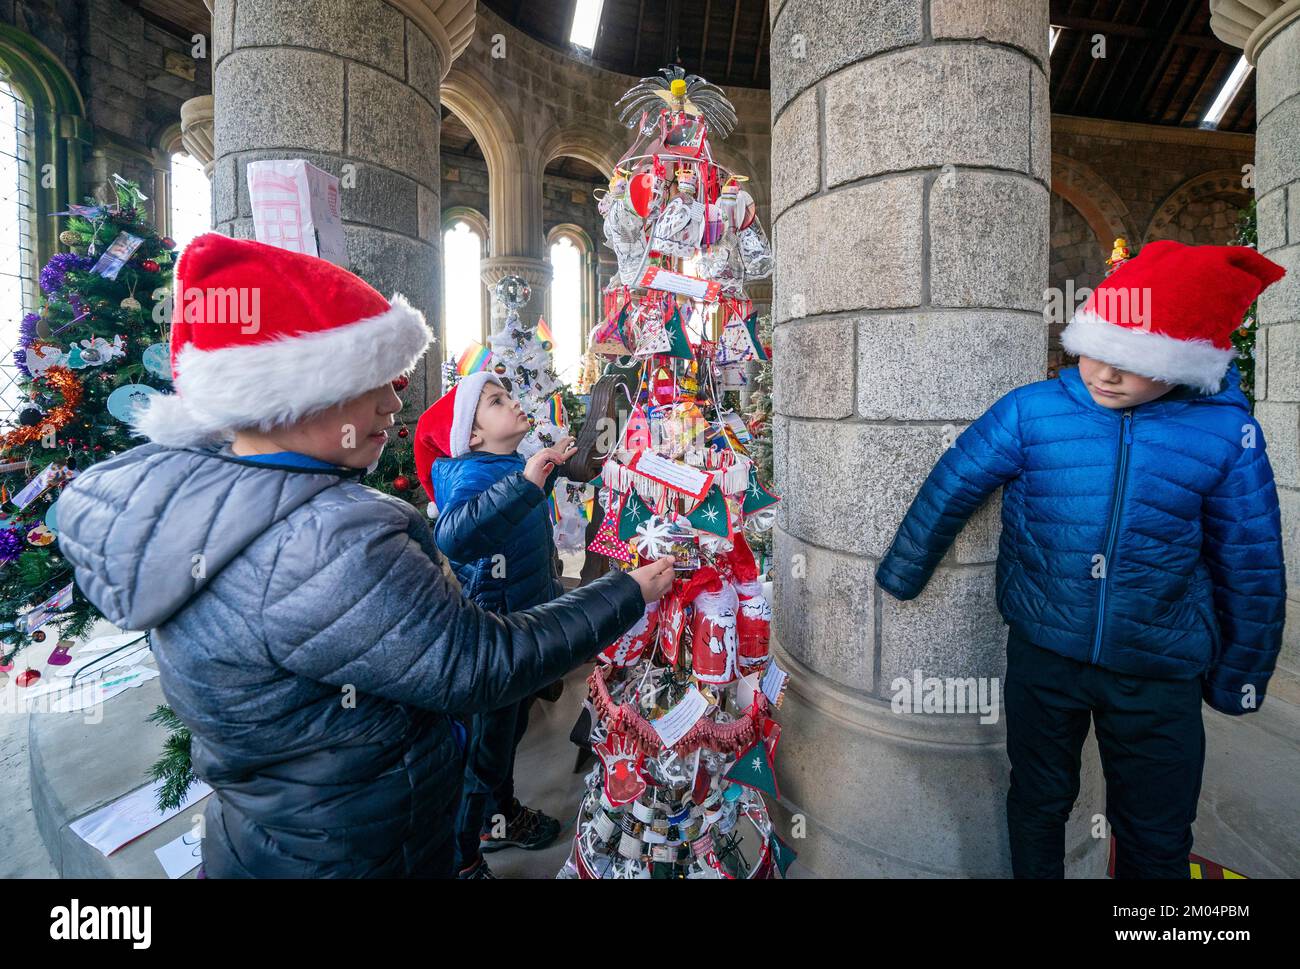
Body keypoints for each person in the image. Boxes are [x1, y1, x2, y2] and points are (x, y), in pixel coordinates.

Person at [56, 233, 675, 878]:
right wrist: (625, 592)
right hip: (361, 850)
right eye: (371, 380)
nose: (392, 402)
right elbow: (482, 662)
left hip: (276, 838)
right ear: (294, 391)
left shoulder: (213, 497)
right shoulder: (329, 539)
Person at [875, 240, 1287, 878]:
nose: (1105, 373)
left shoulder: (1225, 437)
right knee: (1038, 801)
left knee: (1156, 828)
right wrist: (903, 570)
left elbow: (1252, 560)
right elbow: (952, 484)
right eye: (1098, 347)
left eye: (1133, 360)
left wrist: (1241, 674)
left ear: (1183, 364)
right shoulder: (1033, 412)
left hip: (1158, 672)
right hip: (1046, 654)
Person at [414, 371, 577, 878]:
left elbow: (529, 545)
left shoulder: (506, 463)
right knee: (484, 755)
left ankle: (499, 816)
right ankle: (463, 860)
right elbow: (456, 536)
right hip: (495, 637)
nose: (513, 404)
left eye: (508, 395)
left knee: (504, 738)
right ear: (473, 434)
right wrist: (526, 482)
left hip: (522, 626)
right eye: (496, 401)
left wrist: (543, 471)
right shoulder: (472, 474)